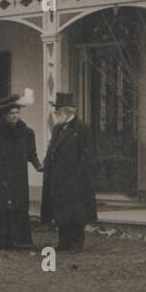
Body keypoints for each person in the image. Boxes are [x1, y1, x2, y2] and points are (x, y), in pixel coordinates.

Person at [0, 94, 43, 251]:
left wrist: (38, 166)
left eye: (17, 113)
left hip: (20, 176)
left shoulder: (27, 132)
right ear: (5, 115)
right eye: (11, 113)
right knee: (2, 207)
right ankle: (2, 241)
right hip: (2, 176)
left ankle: (21, 240)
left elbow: (32, 153)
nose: (15, 116)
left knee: (20, 205)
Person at [40, 93, 98, 252]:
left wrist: (79, 176)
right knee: (60, 212)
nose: (55, 114)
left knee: (75, 213)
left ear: (67, 112)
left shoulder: (81, 128)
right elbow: (52, 148)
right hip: (58, 178)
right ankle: (63, 242)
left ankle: (76, 243)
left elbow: (87, 155)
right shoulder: (58, 128)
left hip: (75, 179)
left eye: (57, 112)